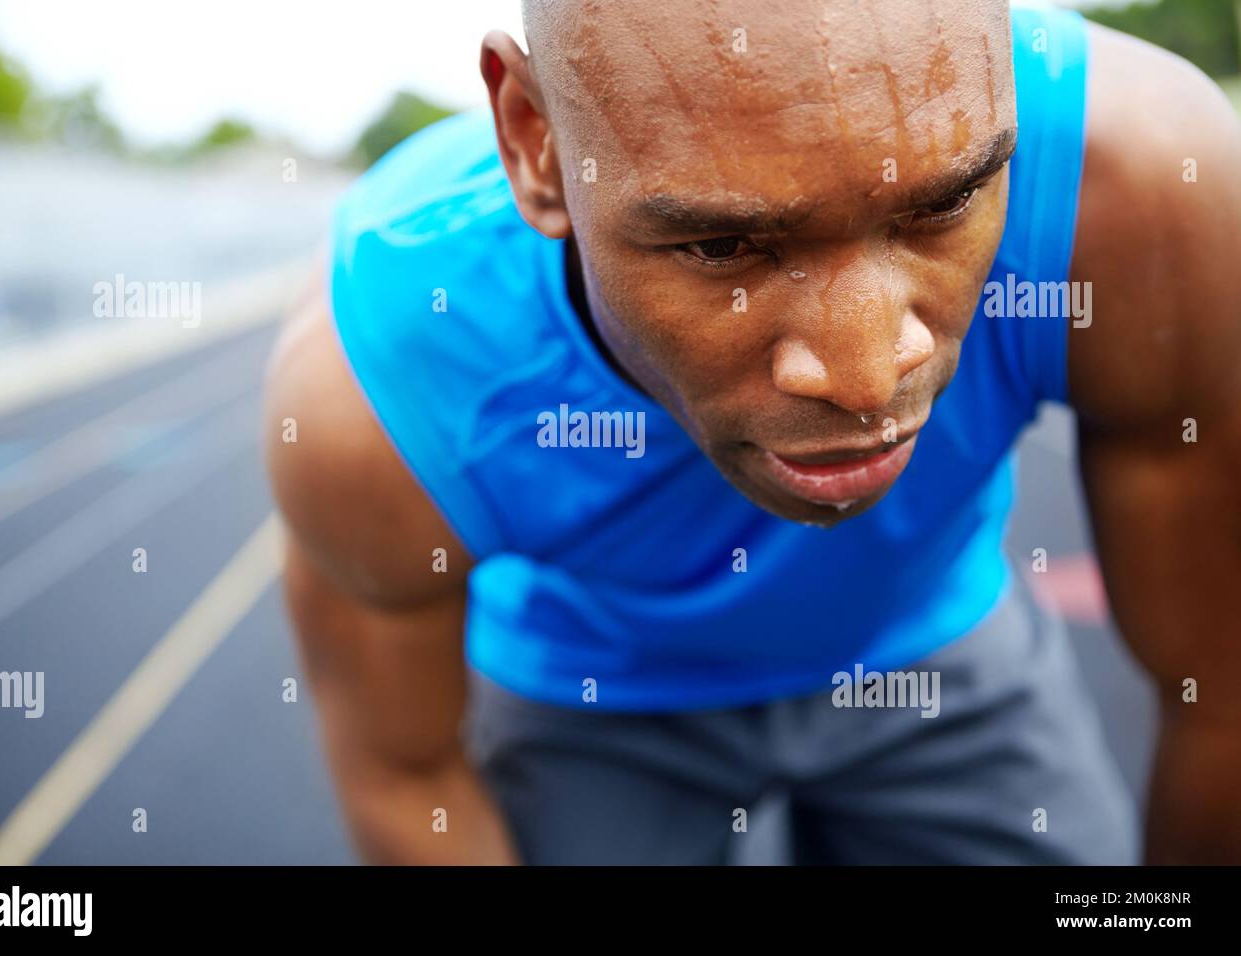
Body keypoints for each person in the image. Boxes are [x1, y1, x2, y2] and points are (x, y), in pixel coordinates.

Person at [264, 0, 1241, 864]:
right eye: (721, 243)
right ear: (535, 143)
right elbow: (402, 776)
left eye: (942, 203)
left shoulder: (1135, 186)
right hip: (594, 687)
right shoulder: (383, 380)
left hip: (929, 634)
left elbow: (1219, 689)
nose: (864, 379)